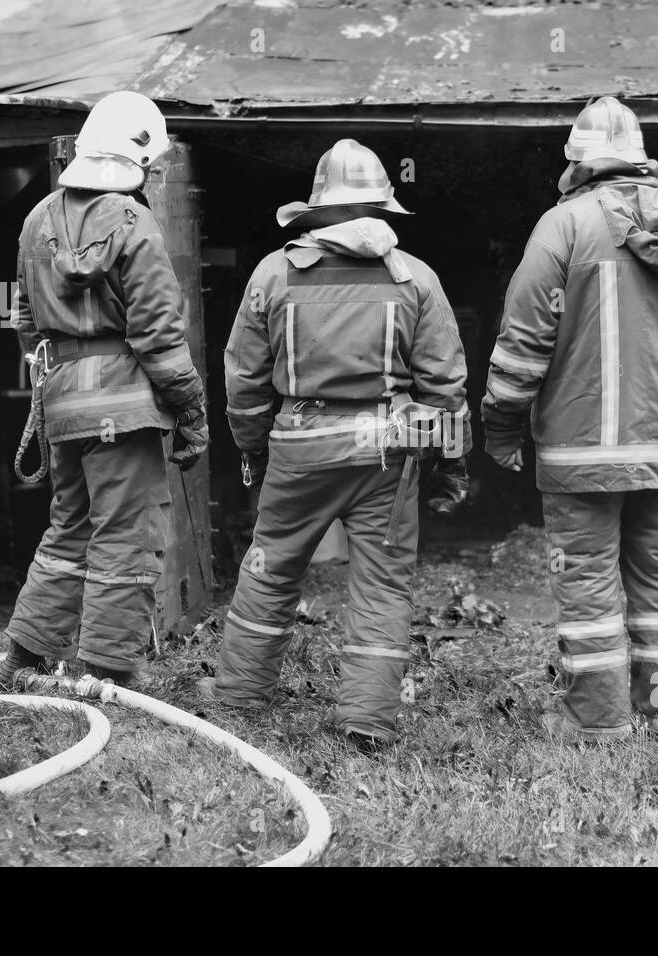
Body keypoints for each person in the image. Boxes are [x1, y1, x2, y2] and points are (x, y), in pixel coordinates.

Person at [198, 139, 470, 752]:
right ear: (381, 206)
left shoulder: (274, 273)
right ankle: (367, 721)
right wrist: (450, 464)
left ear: (317, 211)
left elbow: (243, 379)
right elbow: (446, 388)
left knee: (269, 569)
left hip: (298, 449)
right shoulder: (415, 279)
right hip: (387, 453)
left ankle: (240, 698)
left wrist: (253, 449)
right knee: (381, 585)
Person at [483, 97, 658, 740]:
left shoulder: (562, 227)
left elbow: (521, 345)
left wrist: (502, 428)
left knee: (588, 585)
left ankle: (597, 724)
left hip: (576, 455)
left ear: (577, 165)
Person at [0, 91, 208, 690]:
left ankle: (26, 656)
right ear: (137, 156)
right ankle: (110, 671)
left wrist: (60, 382)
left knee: (71, 528)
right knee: (126, 534)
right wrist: (191, 414)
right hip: (126, 410)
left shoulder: (37, 219)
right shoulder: (136, 223)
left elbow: (24, 322)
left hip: (62, 406)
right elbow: (159, 336)